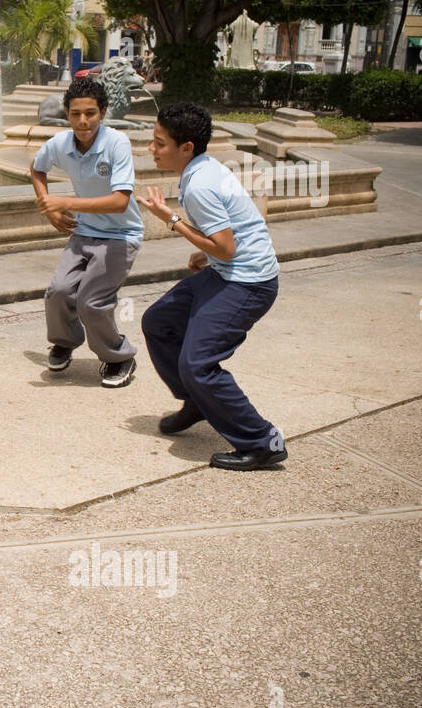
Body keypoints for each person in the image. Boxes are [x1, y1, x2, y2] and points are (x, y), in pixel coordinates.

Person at [138, 102, 286, 471]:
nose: (151, 150)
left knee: (197, 363)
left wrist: (170, 219)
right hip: (226, 270)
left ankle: (262, 440)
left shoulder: (200, 183)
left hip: (248, 283)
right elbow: (237, 226)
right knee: (158, 321)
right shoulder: (202, 168)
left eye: (159, 143)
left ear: (186, 147)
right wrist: (206, 256)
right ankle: (197, 402)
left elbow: (227, 246)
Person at [31, 76, 141, 387]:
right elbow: (36, 168)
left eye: (90, 113)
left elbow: (120, 201)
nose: (83, 121)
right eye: (76, 113)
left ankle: (120, 356)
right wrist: (49, 206)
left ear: (103, 113)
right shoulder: (60, 143)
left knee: (91, 301)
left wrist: (63, 200)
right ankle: (65, 341)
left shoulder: (117, 143)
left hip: (121, 236)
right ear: (66, 113)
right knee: (58, 292)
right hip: (84, 231)